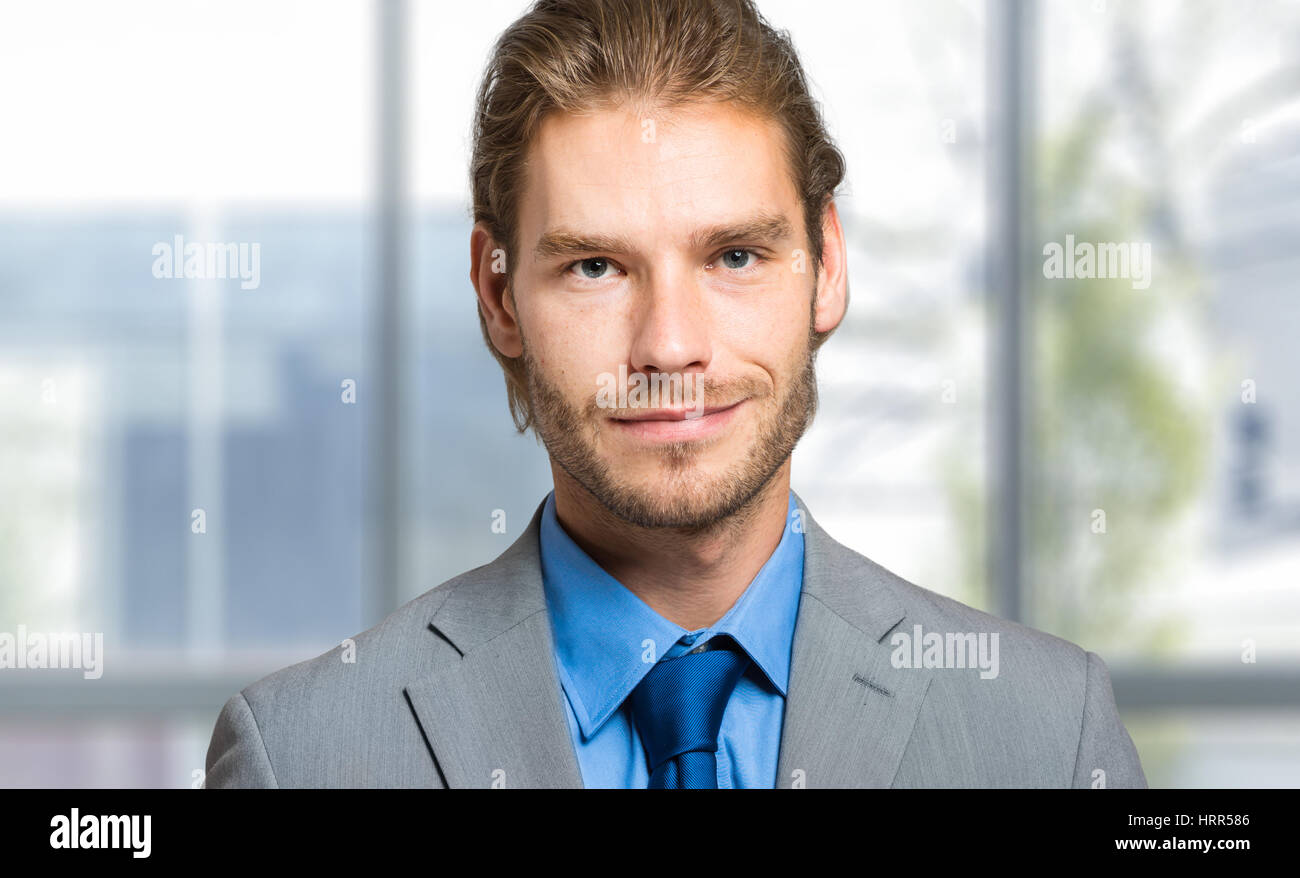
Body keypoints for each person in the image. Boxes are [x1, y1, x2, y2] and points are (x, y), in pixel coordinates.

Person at [205, 0, 1146, 789]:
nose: (670, 345)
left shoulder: (1046, 736)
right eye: (595, 266)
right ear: (498, 295)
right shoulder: (303, 757)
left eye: (735, 255)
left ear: (826, 270)